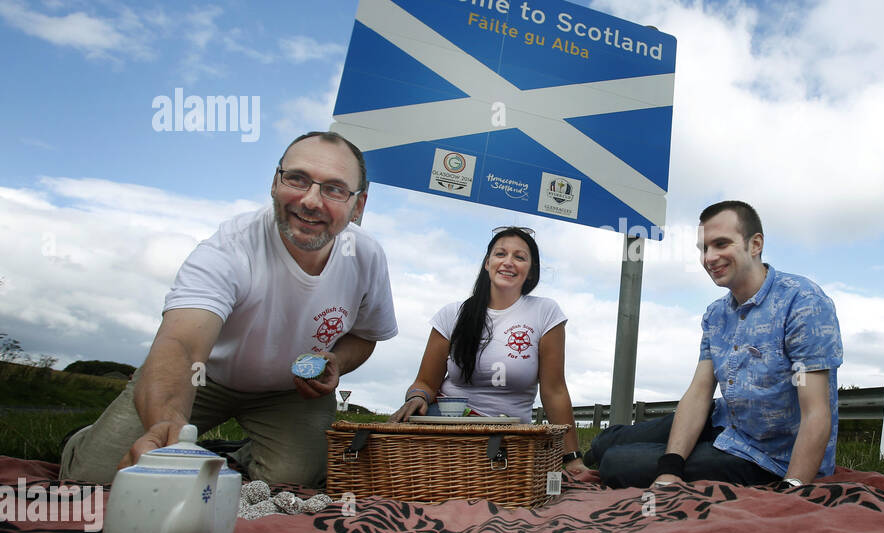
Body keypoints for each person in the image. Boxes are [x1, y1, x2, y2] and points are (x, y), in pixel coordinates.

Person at [60, 131, 398, 488]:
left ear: (358, 205)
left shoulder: (366, 256)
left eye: (334, 189)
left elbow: (365, 335)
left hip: (291, 392)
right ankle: (81, 442)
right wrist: (164, 427)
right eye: (297, 179)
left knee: (293, 480)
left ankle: (240, 453)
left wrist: (337, 362)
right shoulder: (229, 248)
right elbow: (181, 344)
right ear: (274, 183)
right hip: (200, 378)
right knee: (100, 476)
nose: (311, 201)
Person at [586, 201, 843, 489]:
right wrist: (671, 466)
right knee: (606, 442)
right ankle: (591, 453)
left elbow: (816, 411)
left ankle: (617, 457)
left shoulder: (803, 302)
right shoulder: (716, 314)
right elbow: (699, 391)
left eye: (721, 244)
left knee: (617, 462)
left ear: (755, 244)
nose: (709, 258)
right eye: (704, 248)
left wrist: (793, 484)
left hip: (768, 457)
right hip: (724, 420)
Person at [390, 227, 586, 475]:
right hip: (446, 428)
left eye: (519, 257)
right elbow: (425, 383)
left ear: (531, 271)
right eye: (500, 254)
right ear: (487, 263)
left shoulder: (546, 313)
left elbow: (554, 390)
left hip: (509, 438)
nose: (508, 262)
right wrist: (416, 397)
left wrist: (573, 459)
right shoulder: (452, 314)